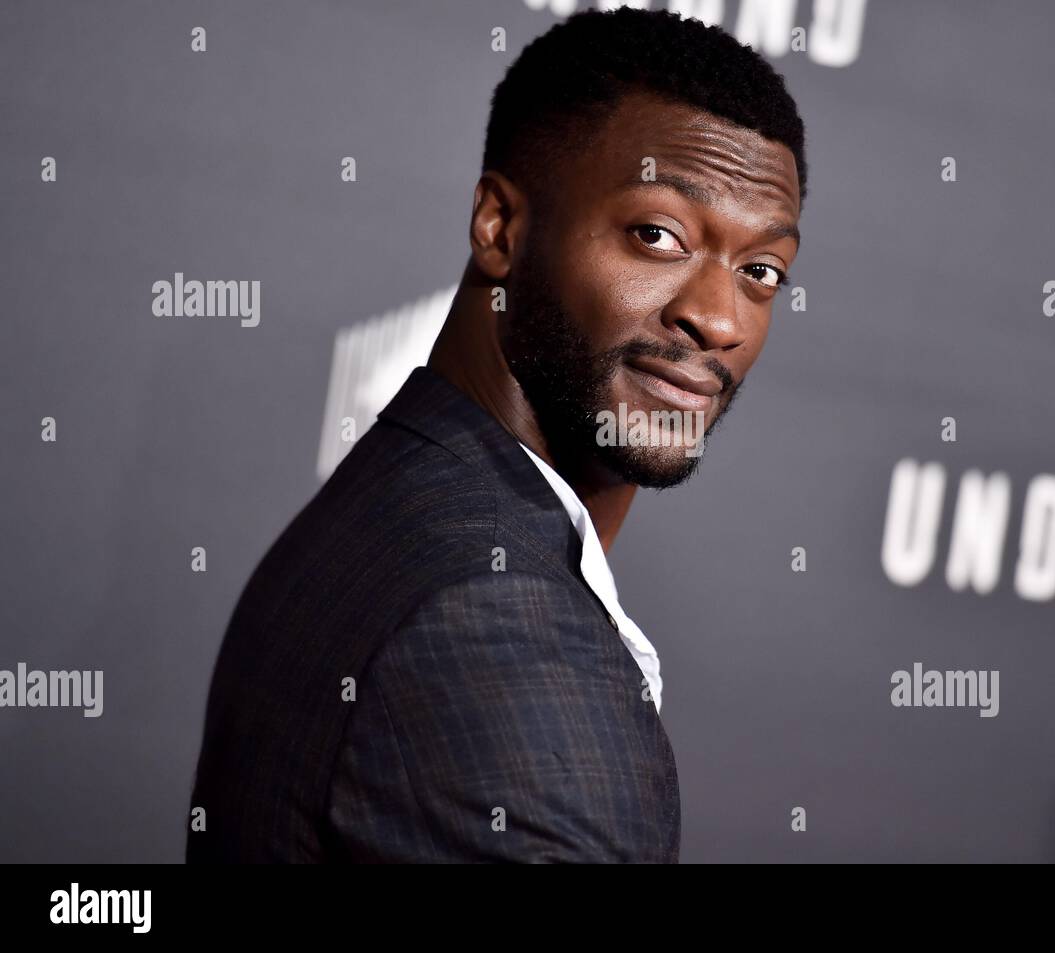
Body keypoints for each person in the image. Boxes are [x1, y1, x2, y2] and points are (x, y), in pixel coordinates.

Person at [188, 5, 807, 863]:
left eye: (761, 270)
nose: (718, 318)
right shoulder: (500, 632)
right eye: (657, 234)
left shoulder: (395, 495)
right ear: (499, 228)